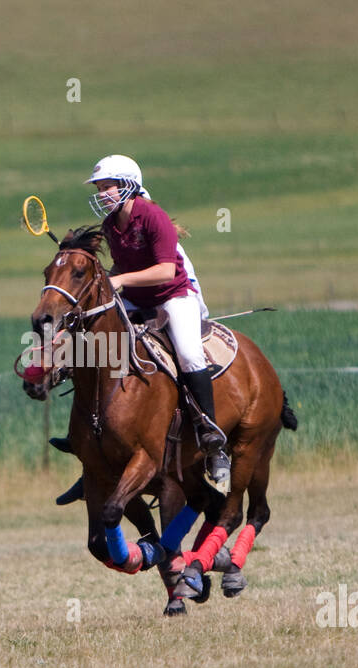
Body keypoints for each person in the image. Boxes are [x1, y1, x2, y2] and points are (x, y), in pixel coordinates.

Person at [50, 155, 229, 503]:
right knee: (91, 341)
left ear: (128, 184)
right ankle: (86, 450)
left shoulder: (152, 215)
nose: (102, 194)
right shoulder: (111, 224)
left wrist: (118, 280)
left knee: (190, 354)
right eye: (100, 189)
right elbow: (121, 266)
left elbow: (164, 271)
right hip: (135, 298)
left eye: (107, 187)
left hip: (173, 296)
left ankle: (211, 435)